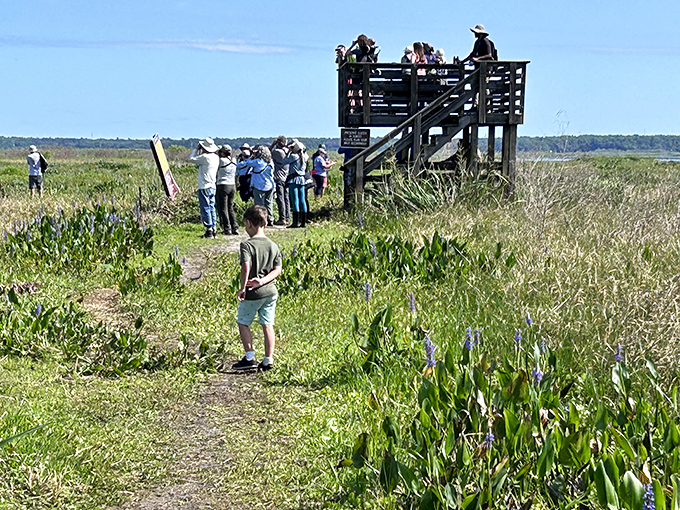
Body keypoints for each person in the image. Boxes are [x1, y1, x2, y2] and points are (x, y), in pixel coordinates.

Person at [231, 205, 282, 372]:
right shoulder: (273, 245)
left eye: (245, 225)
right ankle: (268, 360)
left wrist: (243, 288)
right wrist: (263, 281)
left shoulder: (247, 245)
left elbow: (246, 266)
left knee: (243, 322)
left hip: (253, 293)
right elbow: (278, 270)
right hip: (270, 291)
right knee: (268, 324)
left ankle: (250, 357)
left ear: (249, 223)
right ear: (265, 224)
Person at [188, 137, 219, 238]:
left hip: (204, 185)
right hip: (213, 185)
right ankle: (214, 228)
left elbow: (191, 159)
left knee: (205, 207)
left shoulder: (205, 157)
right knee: (212, 207)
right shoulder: (216, 157)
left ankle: (209, 229)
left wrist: (196, 149)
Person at [241, 145, 275, 226]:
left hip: (259, 185)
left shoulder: (257, 162)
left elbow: (246, 163)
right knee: (269, 203)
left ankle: (261, 220)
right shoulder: (271, 162)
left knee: (259, 204)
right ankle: (270, 219)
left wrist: (252, 156)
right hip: (270, 185)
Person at [282, 140, 308, 228]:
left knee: (295, 200)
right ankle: (303, 222)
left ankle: (295, 222)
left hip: (294, 180)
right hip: (302, 179)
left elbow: (284, 161)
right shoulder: (304, 156)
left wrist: (288, 151)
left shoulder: (293, 156)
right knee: (303, 200)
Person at [216, 145, 238, 235]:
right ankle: (235, 227)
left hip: (222, 185)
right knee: (230, 207)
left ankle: (227, 228)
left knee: (223, 208)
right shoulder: (234, 160)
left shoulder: (220, 161)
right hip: (232, 185)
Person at [270, 136, 291, 226]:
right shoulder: (287, 152)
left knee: (280, 198)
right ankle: (287, 217)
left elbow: (267, 152)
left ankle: (282, 218)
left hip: (279, 178)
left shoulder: (277, 152)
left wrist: (273, 144)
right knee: (286, 198)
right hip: (286, 177)